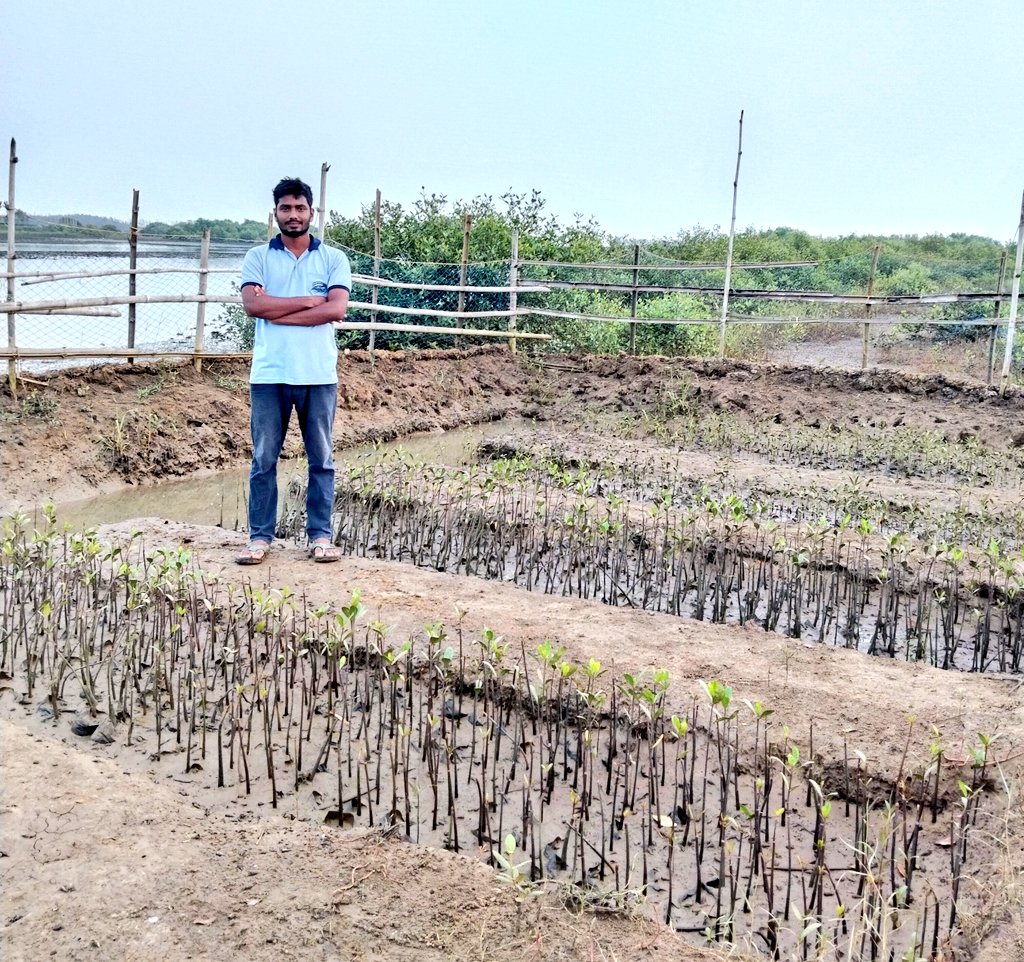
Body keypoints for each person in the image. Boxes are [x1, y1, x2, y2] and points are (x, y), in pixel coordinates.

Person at [236, 176, 351, 565]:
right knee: (264, 459)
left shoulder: (333, 258)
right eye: (286, 208)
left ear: (312, 213)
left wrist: (278, 309)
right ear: (276, 213)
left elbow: (336, 310)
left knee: (322, 459)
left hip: (319, 375)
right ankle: (259, 538)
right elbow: (254, 307)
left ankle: (320, 537)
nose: (293, 214)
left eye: (300, 207)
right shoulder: (258, 257)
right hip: (269, 375)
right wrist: (306, 303)